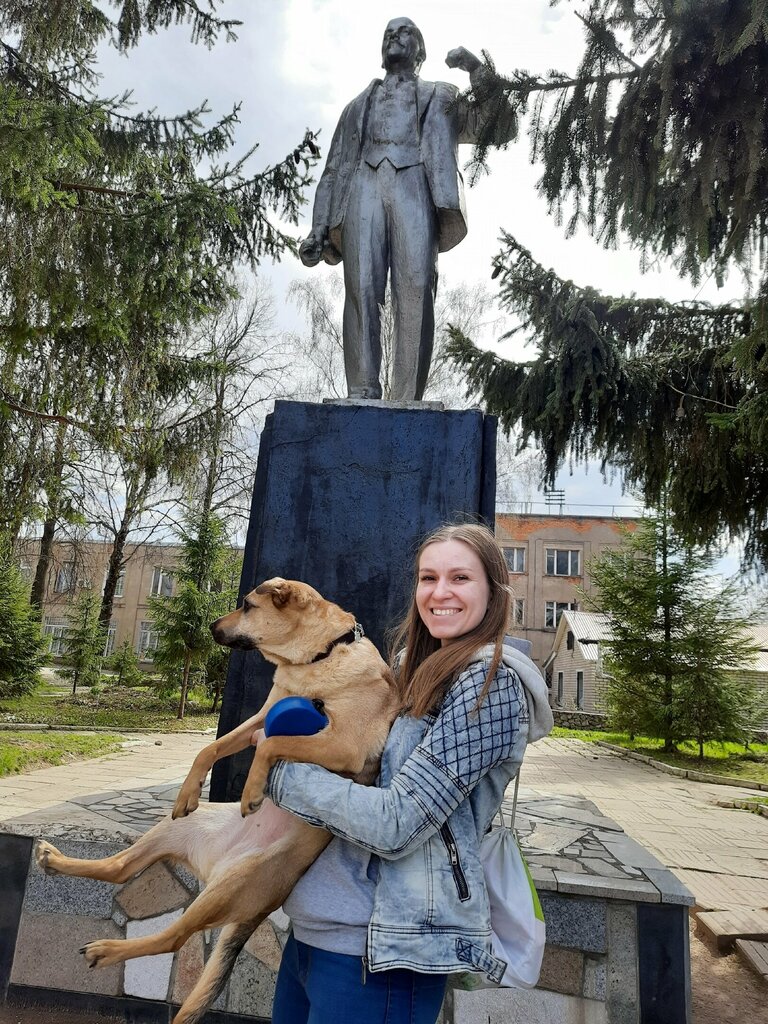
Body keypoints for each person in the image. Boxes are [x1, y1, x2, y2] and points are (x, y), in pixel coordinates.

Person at [264, 522, 553, 1024]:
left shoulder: (491, 685)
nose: (440, 592)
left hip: (382, 957)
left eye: (460, 578)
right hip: (316, 932)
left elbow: (397, 824)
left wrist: (279, 770)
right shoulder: (410, 668)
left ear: (494, 591)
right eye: (427, 578)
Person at [298, 18, 516, 402]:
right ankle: (361, 391)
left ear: (421, 52)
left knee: (415, 289)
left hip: (416, 185)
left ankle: (406, 397)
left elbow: (500, 126)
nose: (392, 38)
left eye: (404, 32)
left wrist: (477, 71)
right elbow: (334, 168)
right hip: (362, 187)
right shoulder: (355, 108)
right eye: (387, 33)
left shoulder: (442, 96)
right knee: (361, 288)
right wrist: (318, 227)